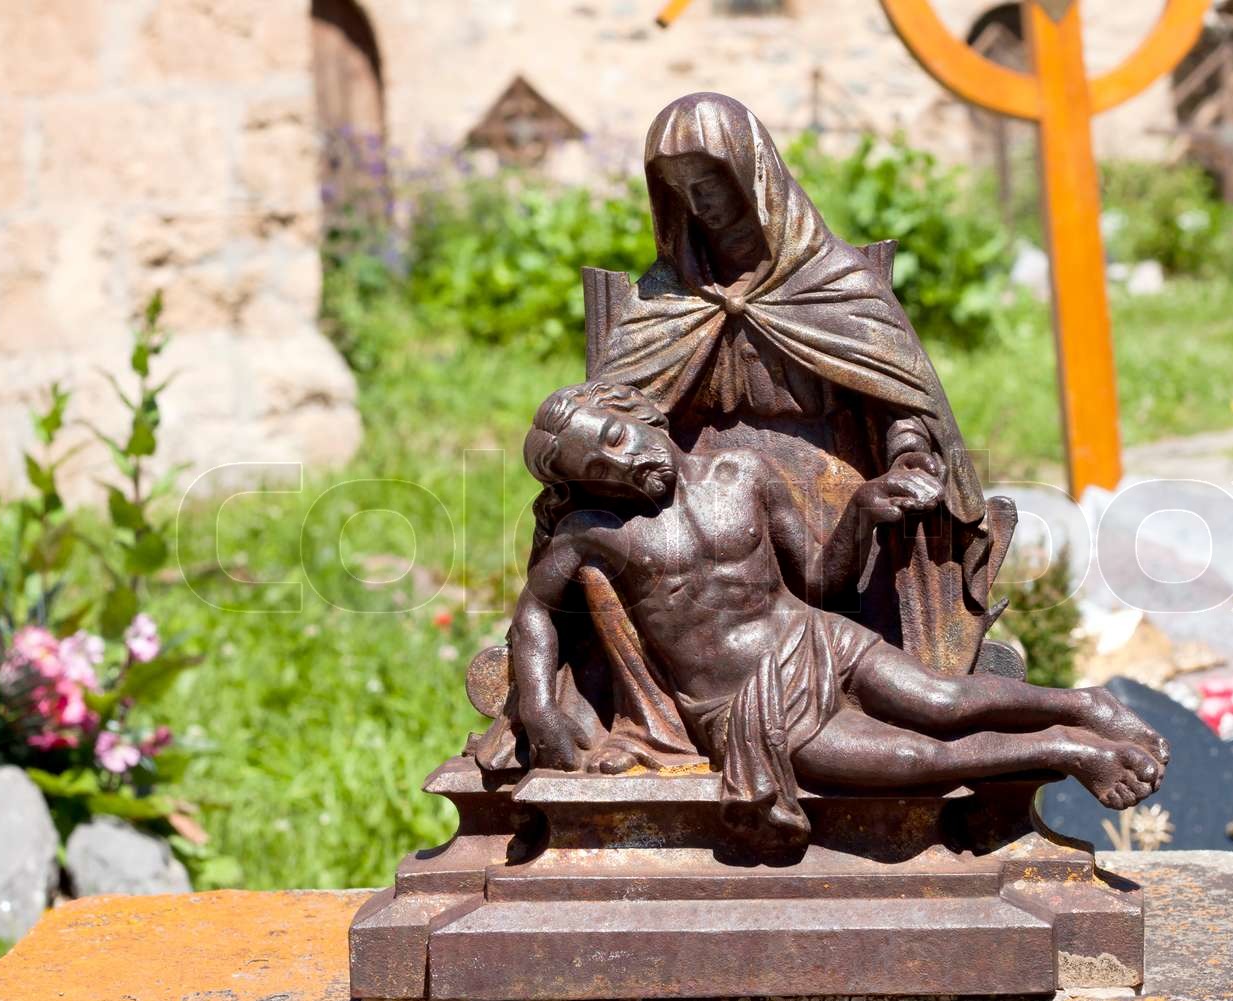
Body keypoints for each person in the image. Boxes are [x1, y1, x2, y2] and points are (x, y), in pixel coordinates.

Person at [478, 382, 1167, 840]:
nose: (623, 464)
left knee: (942, 698)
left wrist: (862, 511)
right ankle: (1066, 748)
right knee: (910, 757)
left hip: (815, 638)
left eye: (615, 438)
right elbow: (535, 613)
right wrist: (537, 705)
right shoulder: (594, 533)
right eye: (597, 469)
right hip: (744, 707)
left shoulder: (742, 474)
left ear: (636, 411)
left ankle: (1087, 706)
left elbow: (820, 579)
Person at [588, 92, 1010, 675]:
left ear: (753, 175)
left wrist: (908, 454)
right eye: (680, 188)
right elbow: (612, 411)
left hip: (833, 498)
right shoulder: (665, 299)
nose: (698, 201)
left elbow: (899, 398)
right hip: (707, 514)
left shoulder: (835, 282)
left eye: (710, 181)